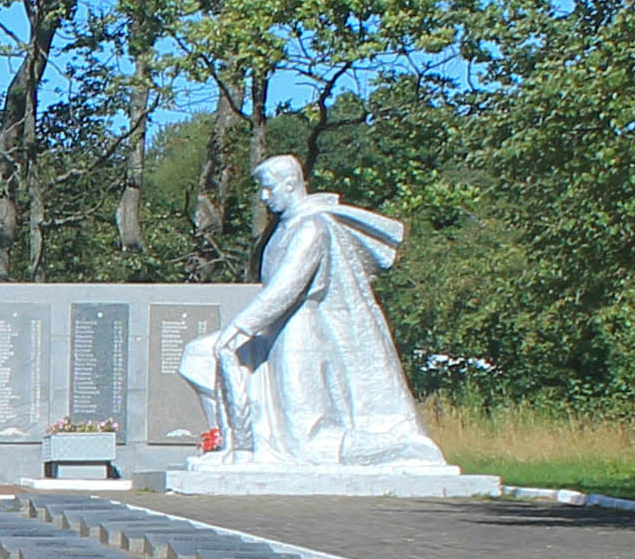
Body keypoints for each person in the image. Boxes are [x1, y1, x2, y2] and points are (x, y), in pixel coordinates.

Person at [177, 155, 450, 469]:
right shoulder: (282, 229)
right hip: (273, 330)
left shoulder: (313, 227)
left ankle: (404, 448)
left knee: (308, 442)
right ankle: (234, 445)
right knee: (198, 356)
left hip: (299, 333)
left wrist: (240, 328)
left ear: (290, 184)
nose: (264, 197)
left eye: (268, 188)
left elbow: (287, 287)